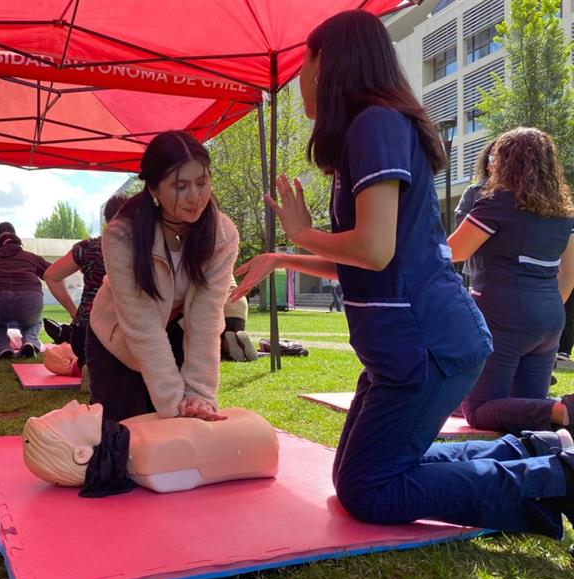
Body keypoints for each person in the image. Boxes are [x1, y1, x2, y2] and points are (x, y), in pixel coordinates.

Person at [230, 10, 574, 539]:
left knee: (368, 488)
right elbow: (364, 259)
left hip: (427, 348)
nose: (300, 75)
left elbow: (372, 248)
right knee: (357, 474)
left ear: (328, 63)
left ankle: (555, 476)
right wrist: (283, 257)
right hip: (406, 351)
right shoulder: (369, 130)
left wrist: (301, 234)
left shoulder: (377, 123)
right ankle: (538, 448)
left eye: (304, 60)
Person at [87, 130, 239, 422]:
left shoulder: (222, 235)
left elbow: (207, 317)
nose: (195, 197)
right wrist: (173, 404)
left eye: (202, 182)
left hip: (171, 331)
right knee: (123, 436)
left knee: (181, 436)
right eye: (180, 186)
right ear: (154, 190)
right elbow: (141, 324)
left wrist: (199, 397)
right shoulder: (122, 236)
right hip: (116, 336)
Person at [447, 127, 574, 434]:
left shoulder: (498, 202)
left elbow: (452, 252)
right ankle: (559, 414)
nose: (490, 164)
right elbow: (569, 275)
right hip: (550, 318)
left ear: (507, 161)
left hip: (504, 314)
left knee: (476, 411)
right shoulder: (563, 211)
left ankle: (566, 410)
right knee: (525, 408)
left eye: (494, 156)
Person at [22, 400, 278, 494]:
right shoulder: (147, 451)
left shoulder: (124, 434)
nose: (72, 403)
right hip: (258, 435)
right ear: (81, 454)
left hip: (250, 430)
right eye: (66, 416)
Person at [43, 194, 128, 368]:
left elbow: (51, 276)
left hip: (85, 332)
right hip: (124, 333)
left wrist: (74, 313)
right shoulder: (144, 249)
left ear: (106, 220)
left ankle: (83, 363)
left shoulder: (87, 248)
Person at [0, 232, 73, 359]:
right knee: (33, 322)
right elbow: (54, 272)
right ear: (19, 244)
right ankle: (30, 341)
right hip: (29, 300)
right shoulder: (31, 257)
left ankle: (1, 347)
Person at [454, 141, 496, 285]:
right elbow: (460, 220)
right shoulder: (474, 191)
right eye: (493, 159)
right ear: (487, 165)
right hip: (476, 267)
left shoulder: (526, 193)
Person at [221, 276, 257, 362]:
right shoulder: (225, 264)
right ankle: (241, 342)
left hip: (223, 299)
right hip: (239, 298)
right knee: (236, 331)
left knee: (222, 340)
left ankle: (229, 348)